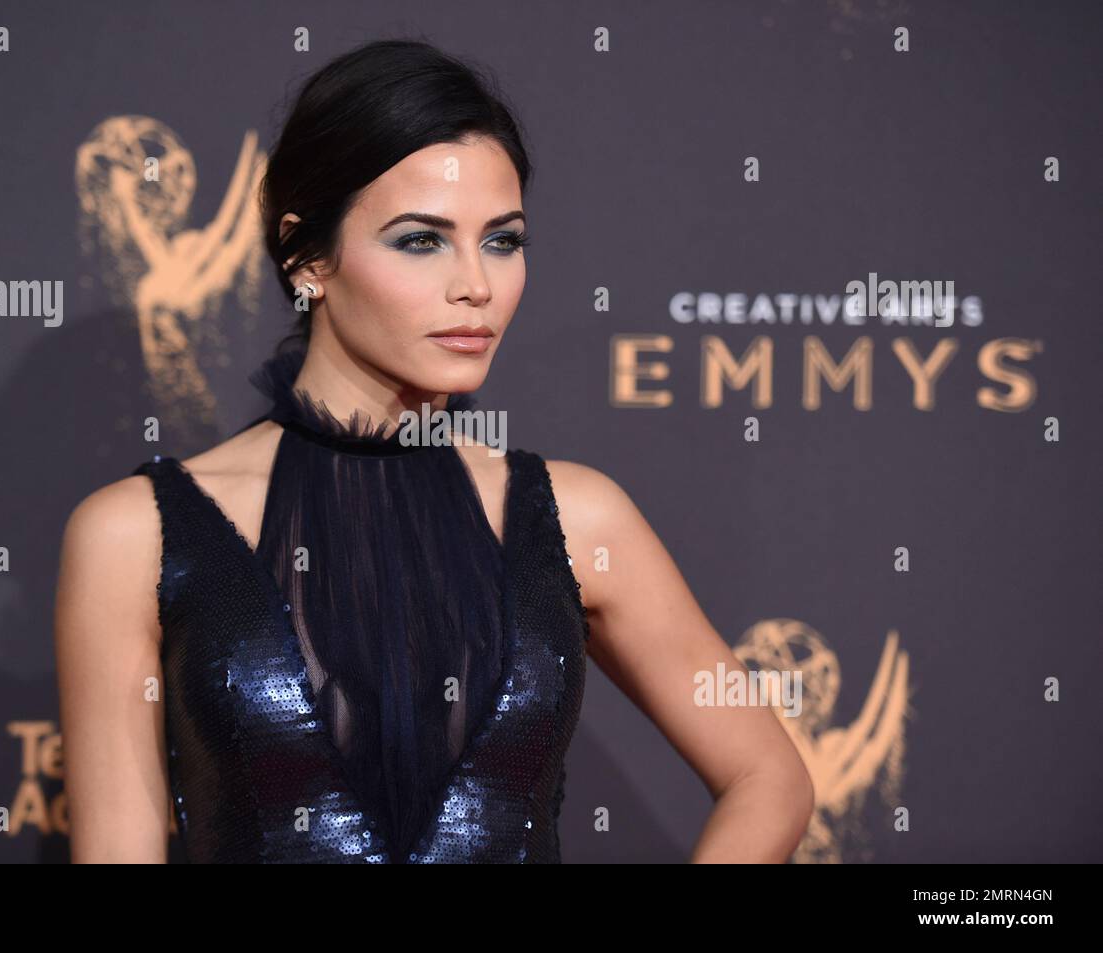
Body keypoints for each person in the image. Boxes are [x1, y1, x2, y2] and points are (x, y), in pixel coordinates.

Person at [54, 38, 814, 863]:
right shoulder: (136, 535)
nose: (476, 285)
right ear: (308, 255)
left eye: (502, 239)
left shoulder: (577, 514)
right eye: (422, 240)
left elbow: (767, 777)